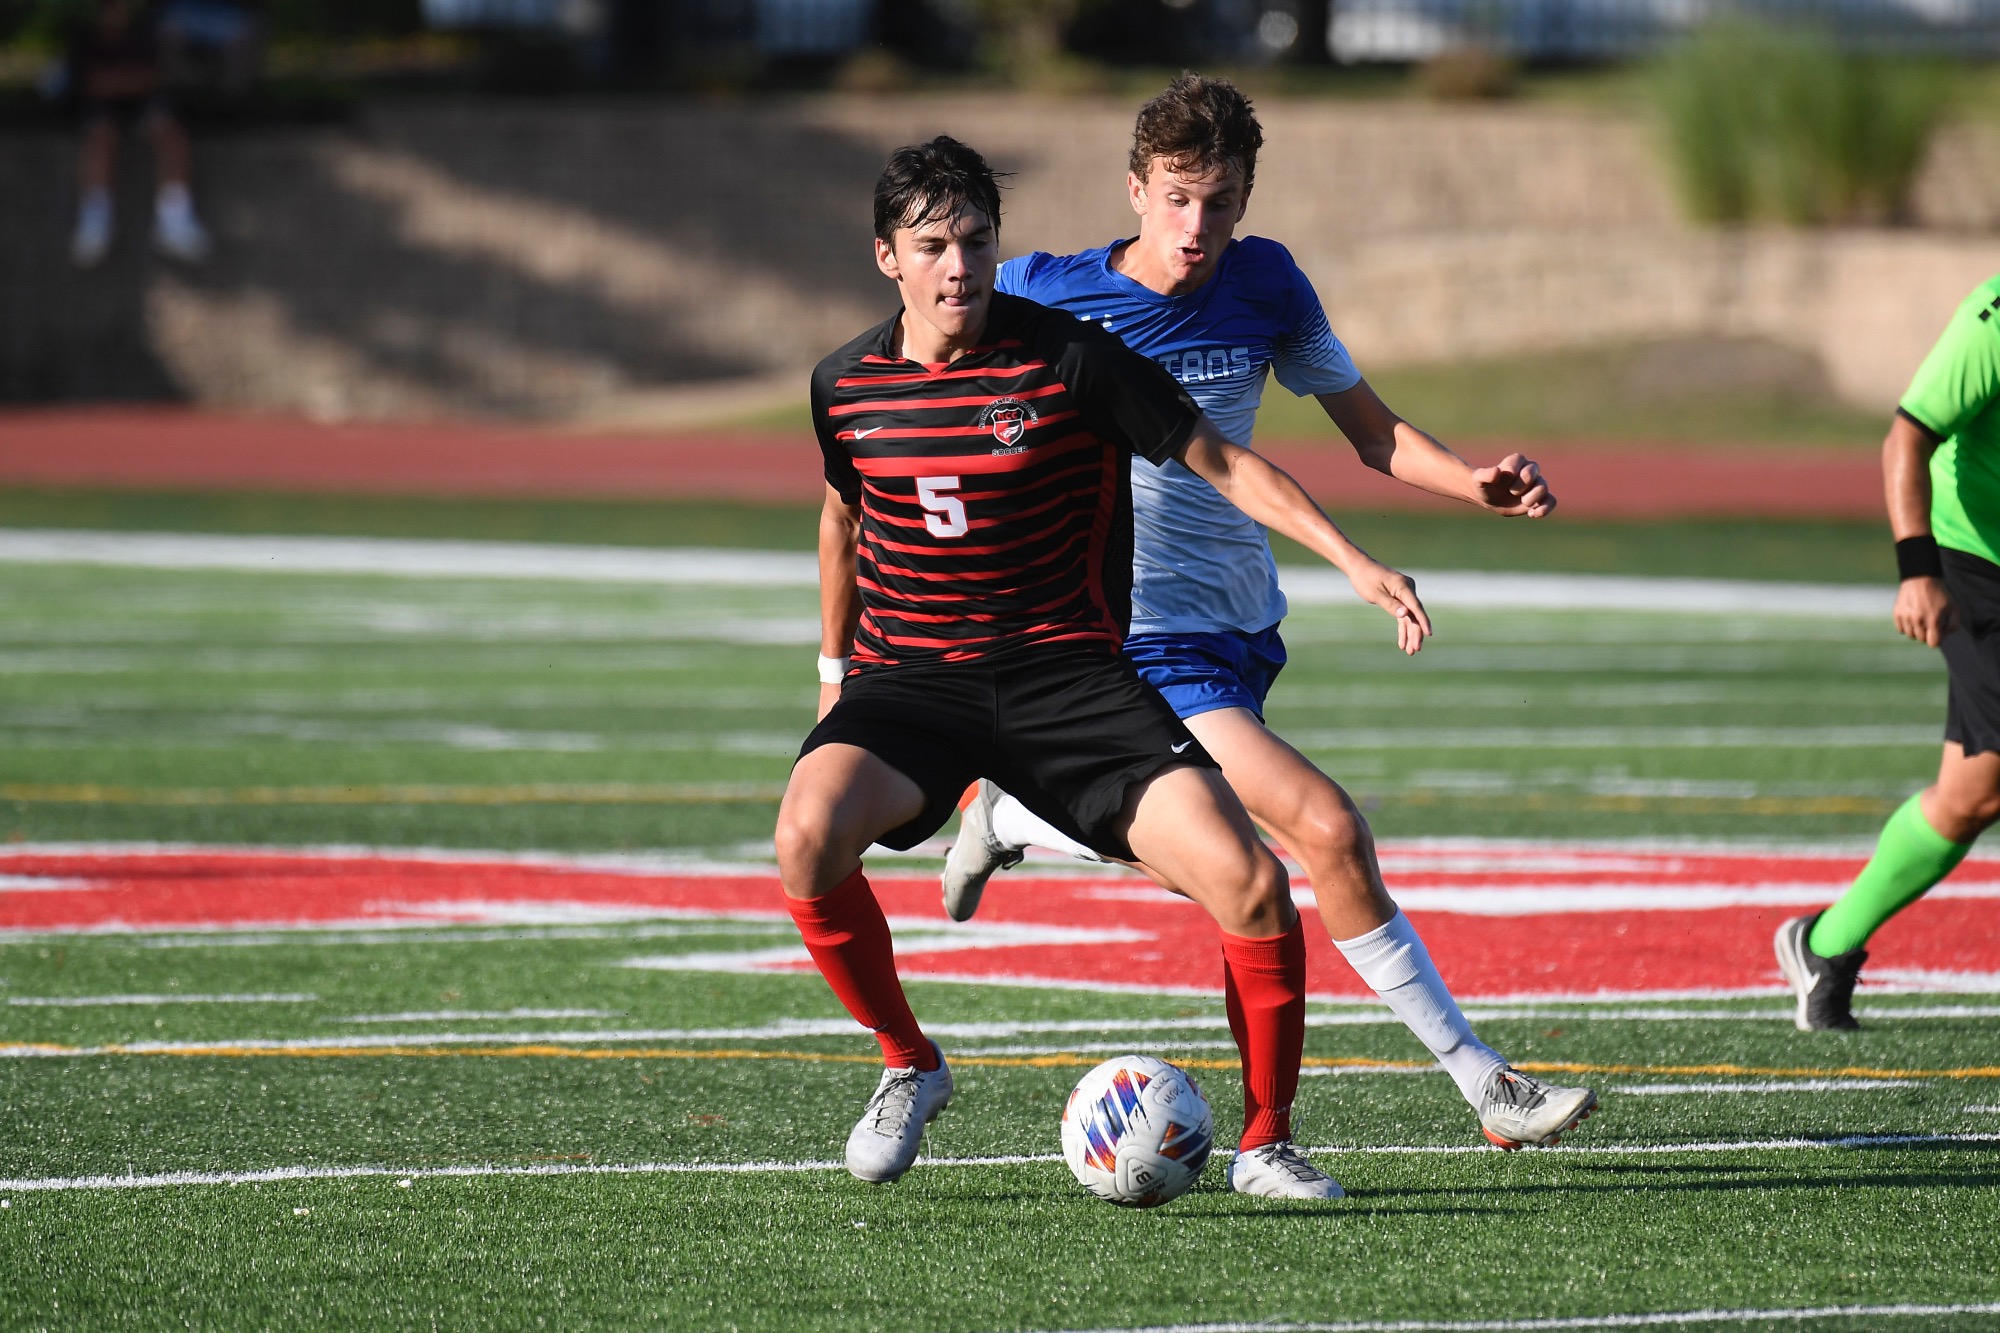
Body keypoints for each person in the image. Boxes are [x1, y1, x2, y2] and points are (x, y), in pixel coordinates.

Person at [938, 74, 1597, 1149]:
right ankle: (1484, 1086)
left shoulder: (1267, 283)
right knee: (1322, 830)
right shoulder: (1042, 296)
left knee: (1211, 858)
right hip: (1129, 635)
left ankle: (1013, 817)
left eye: (1220, 202)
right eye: (1176, 198)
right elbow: (926, 382)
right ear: (1135, 190)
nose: (1195, 227)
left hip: (1237, 625)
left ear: (1246, 200)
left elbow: (1372, 432)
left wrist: (1472, 482)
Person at [782, 134, 1440, 1197]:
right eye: (933, 246)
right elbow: (841, 517)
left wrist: (1353, 560)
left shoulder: (1069, 356)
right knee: (805, 836)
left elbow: (1225, 461)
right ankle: (908, 1062)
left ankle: (1266, 1141)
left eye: (977, 241)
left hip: (1069, 680)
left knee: (1252, 881)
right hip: (914, 683)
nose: (960, 267)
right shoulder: (843, 384)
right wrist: (832, 672)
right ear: (886, 258)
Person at [1776, 275, 2000, 1031]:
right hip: (1974, 557)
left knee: (1972, 796)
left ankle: (1825, 944)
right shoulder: (1994, 316)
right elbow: (1907, 436)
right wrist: (1917, 571)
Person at [65, 0, 212, 268]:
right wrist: (127, 82)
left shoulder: (147, 33)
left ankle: (174, 218)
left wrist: (117, 82)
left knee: (172, 137)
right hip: (102, 112)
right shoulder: (83, 38)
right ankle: (95, 220)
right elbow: (91, 84)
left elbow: (154, 77)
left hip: (144, 108)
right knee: (100, 139)